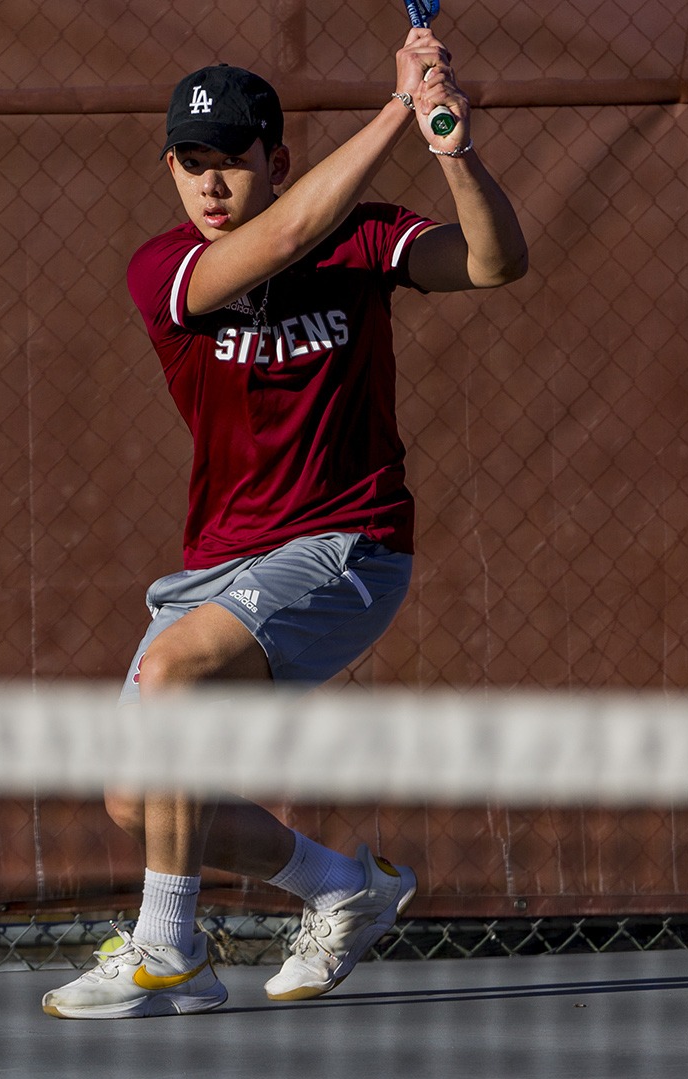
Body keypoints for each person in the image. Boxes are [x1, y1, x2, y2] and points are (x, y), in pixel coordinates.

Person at [41, 29, 527, 1020]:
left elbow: (493, 261)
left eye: (235, 161)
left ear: (278, 161)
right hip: (219, 563)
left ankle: (165, 947)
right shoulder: (163, 270)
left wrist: (450, 149)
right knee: (140, 802)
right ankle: (342, 887)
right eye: (194, 162)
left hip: (347, 547)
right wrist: (394, 109)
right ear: (171, 168)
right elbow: (276, 242)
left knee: (173, 674)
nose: (213, 183)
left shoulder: (361, 243)